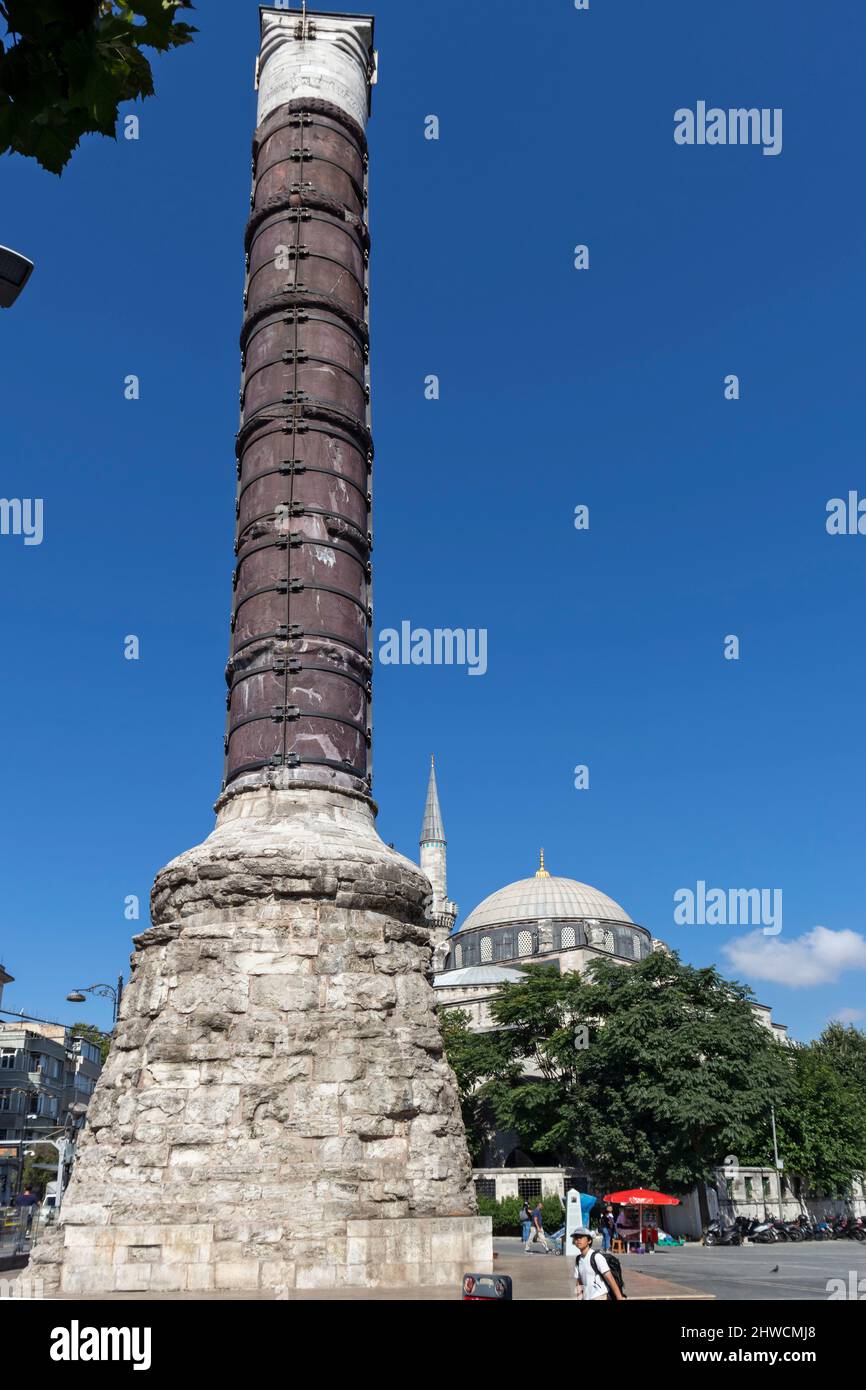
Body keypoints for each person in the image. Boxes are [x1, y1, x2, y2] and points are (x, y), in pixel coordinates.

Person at [571, 1228, 624, 1301]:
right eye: (576, 1237)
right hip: (587, 1297)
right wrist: (579, 1297)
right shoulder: (578, 1259)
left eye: (581, 1237)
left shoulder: (596, 1257)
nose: (578, 1240)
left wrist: (619, 1297)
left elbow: (610, 1278)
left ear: (589, 1241)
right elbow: (579, 1281)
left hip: (600, 1296)